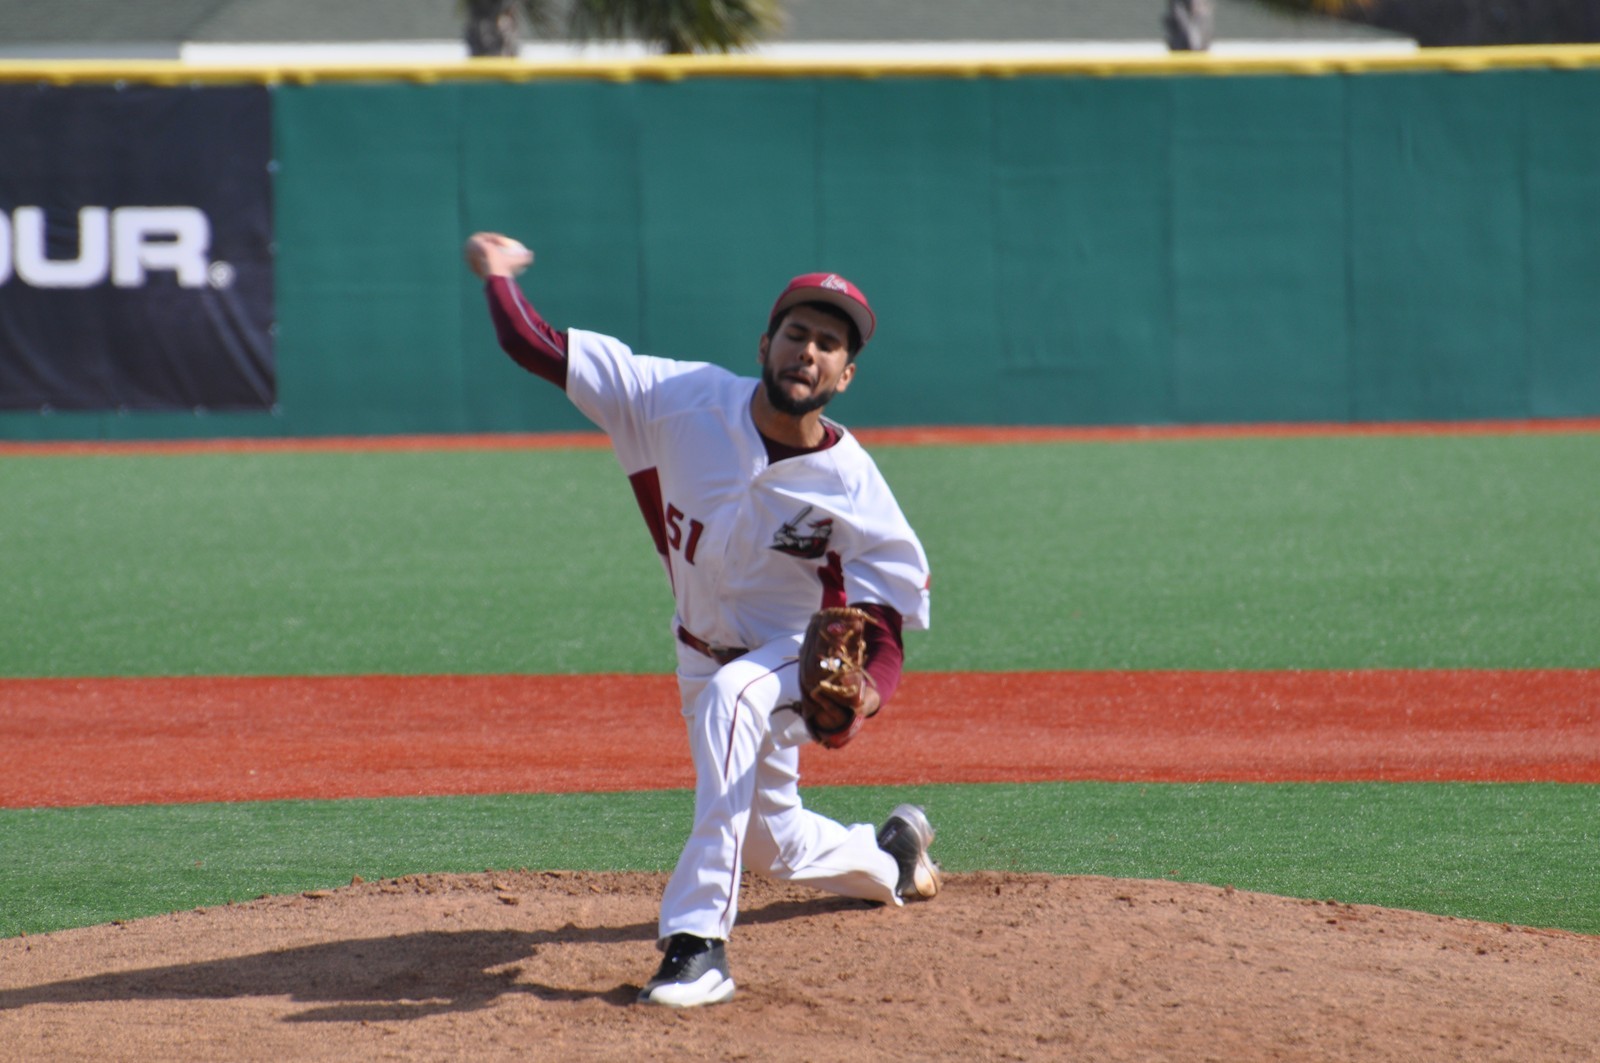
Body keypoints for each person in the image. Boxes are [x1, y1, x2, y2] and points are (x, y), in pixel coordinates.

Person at [463, 232, 940, 1009]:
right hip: (698, 654)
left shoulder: (854, 485)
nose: (808, 351)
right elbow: (536, 345)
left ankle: (696, 945)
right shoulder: (677, 398)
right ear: (765, 343)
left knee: (736, 700)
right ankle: (889, 856)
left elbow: (884, 625)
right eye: (796, 333)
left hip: (788, 656)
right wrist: (498, 275)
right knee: (770, 842)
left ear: (845, 375)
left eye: (829, 343)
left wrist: (866, 697)